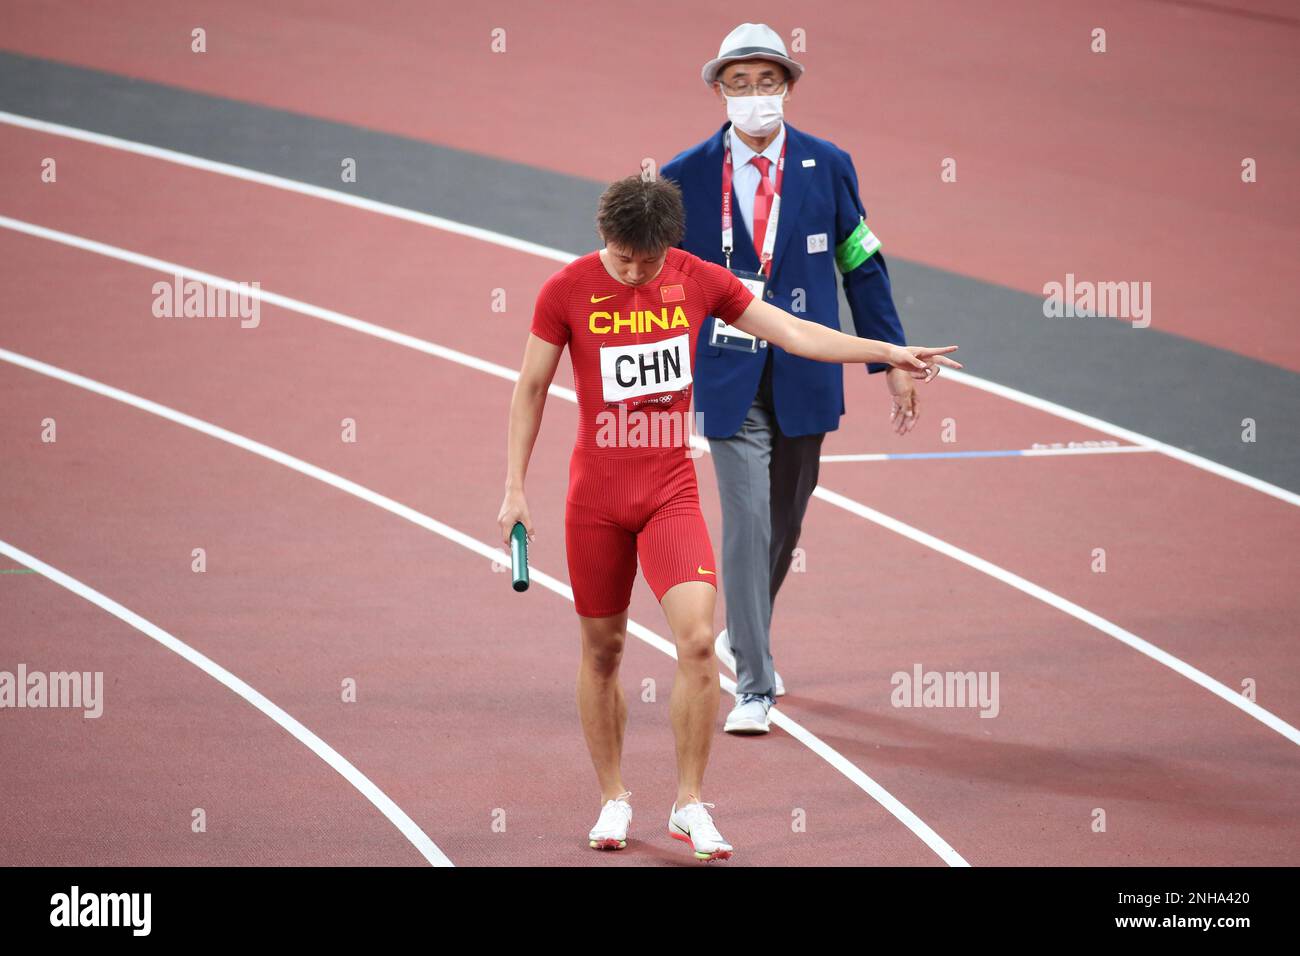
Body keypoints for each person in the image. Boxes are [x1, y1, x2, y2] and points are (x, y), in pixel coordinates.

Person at [496, 175, 958, 861]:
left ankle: (688, 804)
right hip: (594, 499)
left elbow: (795, 333)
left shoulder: (698, 280)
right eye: (622, 258)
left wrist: (887, 351)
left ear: (667, 247)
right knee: (604, 652)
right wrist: (514, 490)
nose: (632, 271)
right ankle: (614, 798)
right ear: (605, 239)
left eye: (645, 261)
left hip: (668, 492)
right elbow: (531, 387)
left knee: (696, 643)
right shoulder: (565, 290)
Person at [661, 23, 919, 734]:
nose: (753, 96)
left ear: (789, 86)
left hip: (806, 374)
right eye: (738, 84)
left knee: (784, 521)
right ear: (719, 90)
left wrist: (890, 359)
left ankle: (746, 632)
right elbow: (656, 283)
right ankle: (753, 681)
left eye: (766, 82)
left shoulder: (828, 165)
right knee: (745, 522)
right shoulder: (682, 175)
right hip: (725, 376)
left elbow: (861, 264)